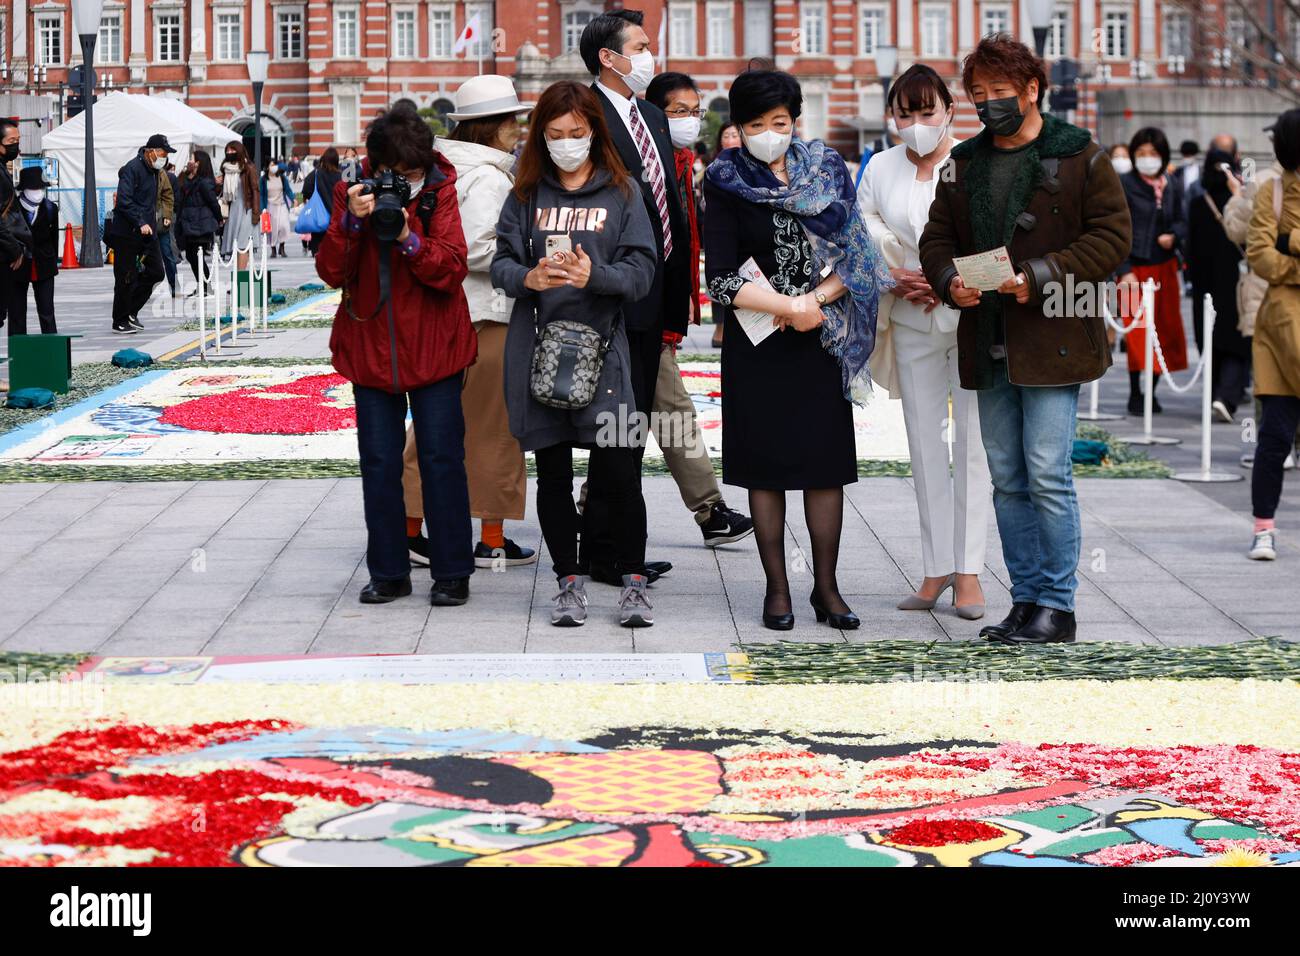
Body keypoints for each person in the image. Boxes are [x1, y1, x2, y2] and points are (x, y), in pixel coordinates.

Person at [919, 34, 1131, 645]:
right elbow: (937, 238)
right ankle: (1026, 598)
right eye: (978, 94)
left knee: (1047, 471)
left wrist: (1037, 276)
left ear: (1033, 89)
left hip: (1055, 333)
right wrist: (947, 278)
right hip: (987, 334)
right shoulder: (964, 160)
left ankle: (1058, 606)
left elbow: (1112, 239)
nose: (987, 104)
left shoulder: (1080, 154)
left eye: (1000, 93)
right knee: (1007, 476)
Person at [703, 69, 891, 631]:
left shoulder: (827, 169)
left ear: (795, 120)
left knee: (822, 467)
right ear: (737, 126)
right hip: (758, 341)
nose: (768, 133)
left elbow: (858, 255)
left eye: (779, 122)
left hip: (819, 341)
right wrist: (790, 307)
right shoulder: (724, 179)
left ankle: (827, 589)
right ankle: (777, 589)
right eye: (755, 124)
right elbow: (719, 277)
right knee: (764, 470)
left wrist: (815, 301)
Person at [491, 80, 657, 627]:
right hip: (539, 353)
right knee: (553, 476)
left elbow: (642, 273)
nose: (566, 143)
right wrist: (531, 276)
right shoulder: (526, 194)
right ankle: (568, 581)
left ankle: (632, 581)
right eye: (555, 134)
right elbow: (501, 267)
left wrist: (597, 275)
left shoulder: (624, 192)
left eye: (576, 133)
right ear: (540, 136)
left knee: (619, 472)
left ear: (594, 133)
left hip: (607, 359)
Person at [315, 102, 478, 606]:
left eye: (410, 173)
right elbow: (330, 272)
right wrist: (353, 225)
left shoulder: (439, 193)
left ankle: (452, 571)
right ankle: (388, 571)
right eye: (392, 173)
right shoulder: (350, 195)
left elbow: (451, 269)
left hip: (435, 347)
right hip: (371, 348)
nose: (401, 182)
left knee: (441, 459)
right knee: (380, 461)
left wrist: (409, 236)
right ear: (373, 165)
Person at [858, 63, 990, 620]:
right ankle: (935, 569)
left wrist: (954, 280)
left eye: (926, 111)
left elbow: (999, 235)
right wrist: (899, 273)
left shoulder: (975, 161)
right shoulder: (881, 168)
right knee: (925, 446)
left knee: (975, 447)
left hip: (971, 318)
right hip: (911, 318)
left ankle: (970, 573)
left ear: (949, 111)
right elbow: (860, 226)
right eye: (905, 113)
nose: (916, 123)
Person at [399, 75, 537, 571]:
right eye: (511, 123)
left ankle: (412, 527)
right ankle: (489, 538)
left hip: (450, 313)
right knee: (494, 428)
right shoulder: (488, 177)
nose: (517, 131)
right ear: (490, 127)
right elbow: (477, 248)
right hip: (487, 312)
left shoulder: (447, 169)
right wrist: (528, 257)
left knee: (440, 427)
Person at [578, 9, 691, 587]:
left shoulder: (649, 113)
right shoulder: (585, 117)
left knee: (632, 428)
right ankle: (617, 553)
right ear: (609, 57)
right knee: (616, 429)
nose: (650, 55)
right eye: (641, 46)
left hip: (656, 293)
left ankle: (607, 546)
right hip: (613, 297)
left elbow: (669, 199)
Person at [643, 70, 754, 549]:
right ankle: (710, 513)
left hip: (663, 312)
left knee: (635, 419)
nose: (689, 120)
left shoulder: (685, 162)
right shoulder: (648, 164)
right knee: (672, 414)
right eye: (677, 112)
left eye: (694, 111)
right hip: (643, 312)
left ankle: (594, 508)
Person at [1245, 108, 1300, 561]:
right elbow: (1260, 253)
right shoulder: (1273, 191)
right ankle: (1264, 527)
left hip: (1283, 305)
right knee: (1275, 434)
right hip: (1281, 328)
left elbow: (1277, 249)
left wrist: (1293, 242)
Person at [1116, 127, 1188, 416]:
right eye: (1141, 153)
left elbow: (1183, 220)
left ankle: (1153, 391)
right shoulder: (1124, 184)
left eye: (1153, 154)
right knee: (1137, 331)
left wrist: (1174, 235)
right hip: (1134, 269)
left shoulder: (1171, 183)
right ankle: (1135, 391)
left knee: (1164, 329)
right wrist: (1124, 268)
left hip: (1165, 266)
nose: (1147, 159)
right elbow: (1116, 228)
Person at [1187, 147, 1252, 423]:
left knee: (1209, 338)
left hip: (1205, 285)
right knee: (1236, 340)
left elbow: (1190, 246)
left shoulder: (1198, 203)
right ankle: (1226, 395)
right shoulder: (1241, 199)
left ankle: (1217, 394)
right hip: (1236, 281)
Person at [109, 134, 174, 335]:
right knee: (125, 276)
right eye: (162, 153)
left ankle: (131, 311)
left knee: (156, 272)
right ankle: (119, 320)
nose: (164, 158)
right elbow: (124, 201)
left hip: (147, 231)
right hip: (127, 232)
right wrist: (140, 221)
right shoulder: (132, 169)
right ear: (150, 151)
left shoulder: (155, 171)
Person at [8, 166, 59, 335]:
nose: (37, 192)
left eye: (40, 188)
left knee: (47, 312)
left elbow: (54, 239)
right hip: (17, 265)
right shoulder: (12, 209)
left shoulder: (50, 208)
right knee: (16, 314)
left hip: (44, 264)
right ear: (23, 190)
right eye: (33, 188)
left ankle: (52, 350)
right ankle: (18, 354)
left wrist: (52, 262)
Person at [175, 150, 223, 297]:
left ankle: (206, 287)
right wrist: (185, 171)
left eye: (192, 159)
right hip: (189, 223)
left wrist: (219, 218)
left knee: (196, 256)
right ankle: (202, 286)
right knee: (191, 255)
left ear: (199, 163)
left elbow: (213, 202)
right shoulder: (188, 178)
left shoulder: (204, 182)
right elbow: (180, 186)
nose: (190, 161)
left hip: (201, 224)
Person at [220, 141, 258, 269]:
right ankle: (237, 278)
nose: (229, 153)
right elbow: (224, 194)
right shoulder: (226, 169)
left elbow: (255, 190)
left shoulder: (248, 168)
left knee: (243, 244)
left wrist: (256, 214)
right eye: (228, 150)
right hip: (233, 211)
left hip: (247, 210)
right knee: (235, 245)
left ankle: (240, 278)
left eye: (232, 150)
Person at [303, 148, 343, 258]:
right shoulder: (340, 176)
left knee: (318, 245)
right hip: (336, 214)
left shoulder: (318, 174)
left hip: (320, 214)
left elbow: (307, 189)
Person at [262, 158, 295, 258]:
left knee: (283, 226)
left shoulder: (281, 177)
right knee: (272, 229)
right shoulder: (263, 179)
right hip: (270, 205)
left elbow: (288, 189)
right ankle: (273, 249)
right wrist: (262, 208)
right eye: (270, 165)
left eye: (274, 165)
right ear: (267, 167)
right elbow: (262, 195)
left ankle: (282, 247)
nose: (272, 167)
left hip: (282, 204)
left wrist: (293, 199)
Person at [157, 161, 179, 299]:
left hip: (160, 221)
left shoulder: (162, 174)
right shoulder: (138, 171)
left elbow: (168, 196)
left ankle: (175, 287)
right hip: (143, 221)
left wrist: (167, 215)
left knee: (167, 253)